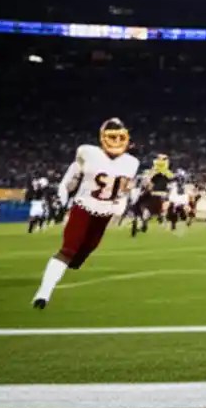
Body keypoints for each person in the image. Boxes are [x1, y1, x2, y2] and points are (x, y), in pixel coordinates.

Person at [32, 119, 140, 309]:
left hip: (105, 212)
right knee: (68, 249)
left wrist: (120, 207)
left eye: (119, 136)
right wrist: (65, 199)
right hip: (84, 206)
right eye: (111, 136)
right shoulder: (88, 152)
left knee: (83, 254)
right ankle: (43, 294)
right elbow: (72, 176)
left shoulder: (132, 162)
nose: (115, 141)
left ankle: (65, 267)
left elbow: (123, 189)